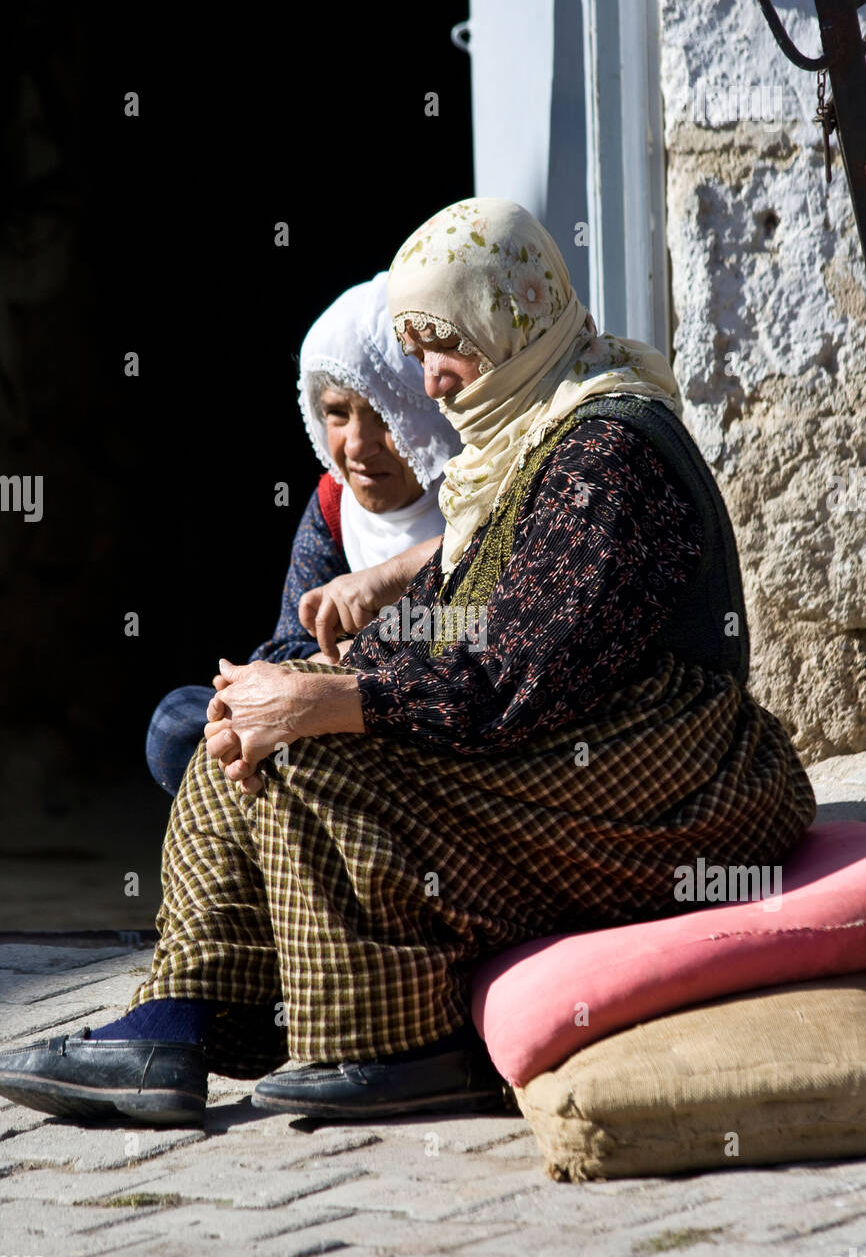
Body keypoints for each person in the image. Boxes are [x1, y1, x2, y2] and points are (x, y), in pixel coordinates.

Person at [0, 198, 816, 1126]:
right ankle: (176, 1023)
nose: (428, 383)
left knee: (310, 749)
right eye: (420, 350)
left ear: (507, 319)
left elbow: (516, 672)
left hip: (685, 773)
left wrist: (327, 702)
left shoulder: (607, 450)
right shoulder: (527, 434)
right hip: (584, 741)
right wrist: (297, 682)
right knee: (239, 733)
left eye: (445, 347)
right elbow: (473, 617)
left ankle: (405, 1044)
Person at [145, 271, 460, 794]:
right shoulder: (334, 503)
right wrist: (261, 695)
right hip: (314, 716)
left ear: (428, 411)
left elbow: (482, 645)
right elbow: (293, 636)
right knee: (178, 723)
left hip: (413, 724)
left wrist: (341, 672)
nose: (356, 446)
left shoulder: (474, 497)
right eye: (337, 414)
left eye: (384, 416)